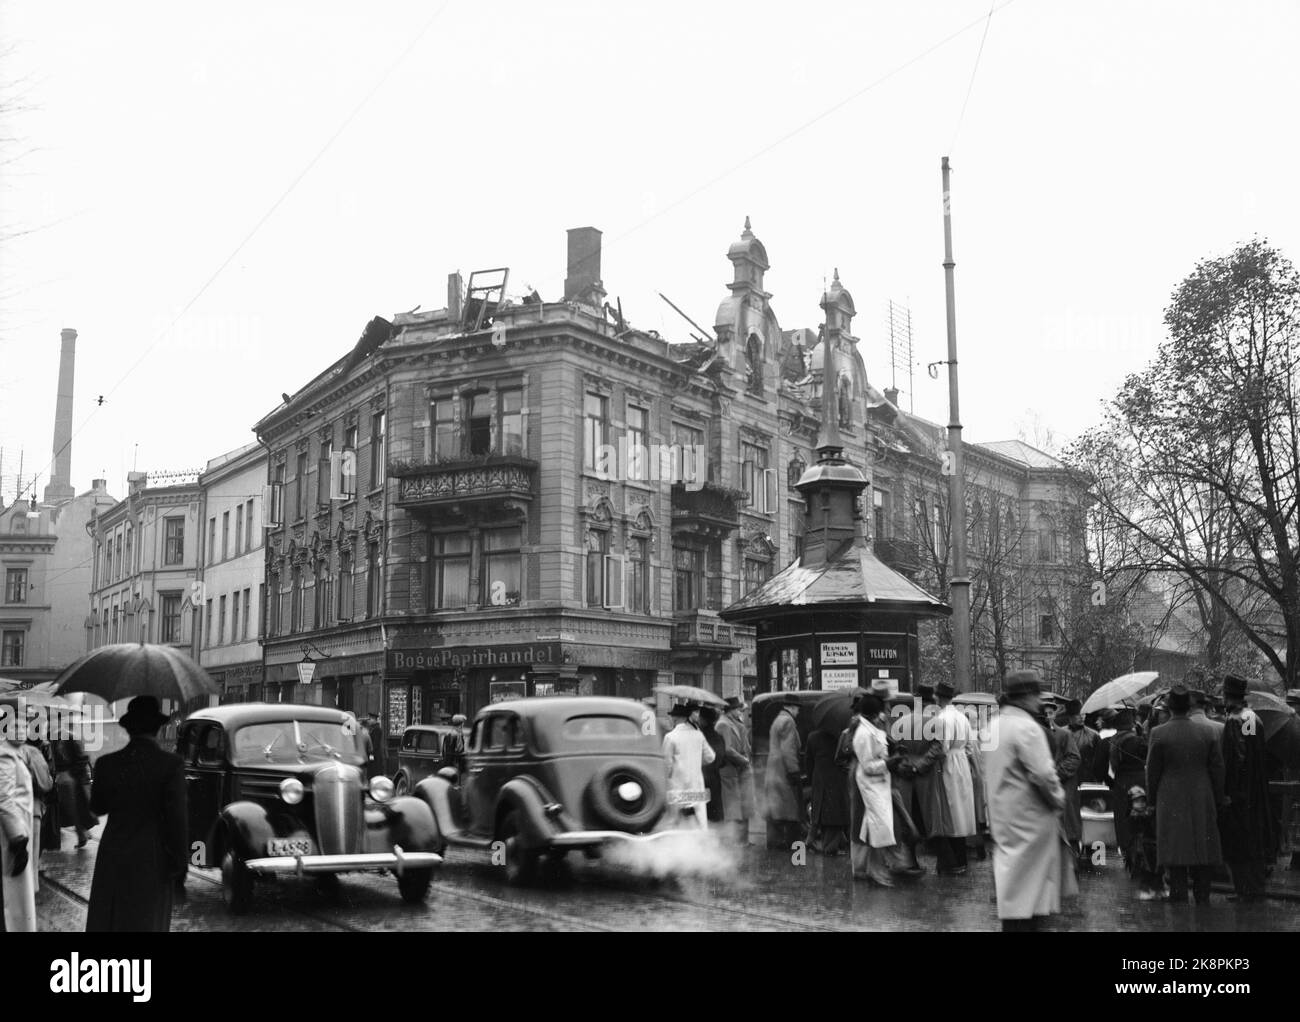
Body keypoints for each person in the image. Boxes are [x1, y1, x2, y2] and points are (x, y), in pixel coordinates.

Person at [86, 696, 189, 932]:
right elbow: (178, 821)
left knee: (110, 920)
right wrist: (180, 867)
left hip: (113, 853)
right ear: (157, 728)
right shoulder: (170, 765)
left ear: (128, 728)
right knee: (146, 921)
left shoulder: (106, 763)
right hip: (152, 858)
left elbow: (98, 807)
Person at [985, 670, 1077, 931]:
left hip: (1003, 817)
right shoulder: (1028, 728)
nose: (1039, 700)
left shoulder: (993, 726)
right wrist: (1058, 799)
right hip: (1031, 821)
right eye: (1036, 694)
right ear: (1026, 697)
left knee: (1013, 894)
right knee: (1032, 897)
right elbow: (1043, 775)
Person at [1145, 684, 1224, 905]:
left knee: (1176, 853)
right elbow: (1218, 769)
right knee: (1203, 852)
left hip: (1169, 798)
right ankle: (1203, 898)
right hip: (1202, 795)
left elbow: (1152, 772)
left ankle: (1178, 898)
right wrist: (1218, 798)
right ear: (1189, 708)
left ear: (1169, 708)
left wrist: (1151, 801)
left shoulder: (1158, 733)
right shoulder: (1208, 732)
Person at [1218, 674, 1275, 901]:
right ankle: (1252, 889)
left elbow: (1238, 758)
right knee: (1252, 841)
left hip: (1239, 793)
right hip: (1254, 788)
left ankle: (1245, 890)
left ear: (1226, 695)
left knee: (1238, 843)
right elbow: (1252, 753)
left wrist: (1231, 792)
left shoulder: (1234, 720)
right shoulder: (1252, 717)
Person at [919, 681, 977, 875]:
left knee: (949, 812)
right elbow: (970, 746)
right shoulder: (962, 717)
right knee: (961, 812)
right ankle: (961, 859)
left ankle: (952, 861)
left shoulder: (942, 719)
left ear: (938, 697)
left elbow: (941, 748)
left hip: (949, 765)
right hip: (962, 762)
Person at [850, 694, 897, 886]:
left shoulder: (872, 729)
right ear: (873, 714)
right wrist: (887, 763)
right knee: (880, 828)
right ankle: (875, 871)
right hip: (871, 783)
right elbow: (868, 765)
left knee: (875, 827)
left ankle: (870, 868)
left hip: (879, 783)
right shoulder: (863, 734)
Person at [1, 730, 38, 932]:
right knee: (15, 896)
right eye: (17, 724)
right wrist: (17, 839)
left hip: (20, 833)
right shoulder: (3, 754)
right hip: (13, 838)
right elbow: (4, 800)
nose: (24, 729)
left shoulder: (15, 752)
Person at [1041, 695, 1082, 868]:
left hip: (1063, 789)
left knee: (1067, 831)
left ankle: (1071, 868)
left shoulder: (1064, 734)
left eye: (1050, 713)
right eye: (1044, 713)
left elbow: (1074, 758)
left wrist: (1056, 774)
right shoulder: (1034, 736)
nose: (1047, 716)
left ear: (1055, 715)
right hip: (1044, 792)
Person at [662, 703, 714, 829]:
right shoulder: (698, 735)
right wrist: (696, 762)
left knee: (674, 820)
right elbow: (710, 757)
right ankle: (702, 845)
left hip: (677, 786)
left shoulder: (670, 737)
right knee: (700, 820)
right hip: (697, 786)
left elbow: (666, 765)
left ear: (675, 718)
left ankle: (677, 846)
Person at [764, 696, 804, 849]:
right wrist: (794, 771)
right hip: (783, 770)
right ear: (792, 707)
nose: (798, 712)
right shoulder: (788, 721)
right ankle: (795, 848)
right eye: (798, 709)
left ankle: (774, 843)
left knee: (775, 808)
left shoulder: (778, 719)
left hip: (774, 769)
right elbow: (788, 750)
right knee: (792, 809)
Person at [715, 696, 754, 845]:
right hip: (731, 770)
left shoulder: (735, 723)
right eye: (738, 709)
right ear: (730, 710)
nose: (740, 712)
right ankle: (734, 840)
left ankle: (743, 839)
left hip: (740, 770)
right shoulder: (723, 724)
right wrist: (743, 760)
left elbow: (745, 745)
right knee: (733, 808)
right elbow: (727, 749)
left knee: (744, 805)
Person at [806, 724, 848, 855]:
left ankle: (812, 841)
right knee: (835, 814)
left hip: (819, 777)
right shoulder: (840, 737)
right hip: (837, 778)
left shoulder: (812, 737)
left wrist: (812, 777)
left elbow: (808, 761)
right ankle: (830, 848)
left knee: (820, 812)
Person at [1109, 707, 1147, 853]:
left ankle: (1127, 849)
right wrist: (1141, 734)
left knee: (1123, 819)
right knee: (1140, 815)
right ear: (1131, 724)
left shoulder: (1112, 741)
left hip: (1120, 782)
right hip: (1140, 781)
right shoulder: (1138, 741)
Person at [17, 737, 52, 889]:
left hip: (8, 811)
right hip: (32, 808)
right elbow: (46, 783)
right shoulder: (32, 752)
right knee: (30, 859)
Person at [52, 729, 95, 849]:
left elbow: (82, 757)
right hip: (65, 776)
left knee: (73, 807)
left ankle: (82, 832)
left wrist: (73, 773)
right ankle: (82, 832)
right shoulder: (54, 738)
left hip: (69, 776)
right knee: (71, 807)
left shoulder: (69, 737)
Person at [1124, 786, 1165, 901]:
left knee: (1155, 869)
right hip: (1140, 849)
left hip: (1150, 846)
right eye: (1137, 802)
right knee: (1145, 870)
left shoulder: (1148, 814)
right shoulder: (1133, 816)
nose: (1141, 804)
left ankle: (1157, 889)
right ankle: (1145, 890)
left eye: (1142, 801)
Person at [698, 707, 727, 826]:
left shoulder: (700, 735)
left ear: (703, 719)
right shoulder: (718, 736)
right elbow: (723, 760)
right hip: (715, 778)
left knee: (702, 811)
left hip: (702, 777)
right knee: (714, 812)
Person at [1065, 698, 1099, 785]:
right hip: (1067, 779)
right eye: (1078, 714)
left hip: (1087, 779)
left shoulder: (1093, 735)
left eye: (1083, 714)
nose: (1082, 717)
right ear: (1070, 717)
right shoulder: (1061, 734)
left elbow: (1099, 761)